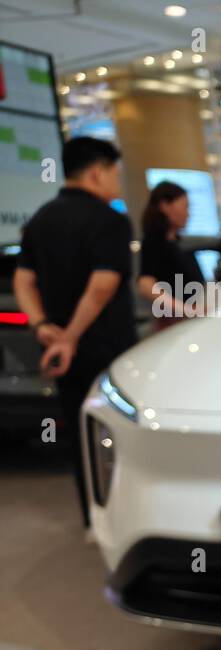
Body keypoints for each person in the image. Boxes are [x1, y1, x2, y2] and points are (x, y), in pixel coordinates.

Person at [12, 137, 137, 530]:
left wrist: (43, 326)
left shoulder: (40, 219)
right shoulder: (111, 220)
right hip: (107, 349)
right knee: (120, 433)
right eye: (115, 173)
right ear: (97, 172)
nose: (116, 182)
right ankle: (124, 520)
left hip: (61, 354)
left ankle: (92, 519)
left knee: (80, 436)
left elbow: (23, 280)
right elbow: (102, 285)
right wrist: (72, 335)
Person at [138, 180, 205, 330]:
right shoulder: (154, 243)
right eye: (185, 207)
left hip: (193, 320)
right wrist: (185, 310)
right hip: (176, 323)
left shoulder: (178, 242)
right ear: (165, 206)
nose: (188, 213)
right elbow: (145, 285)